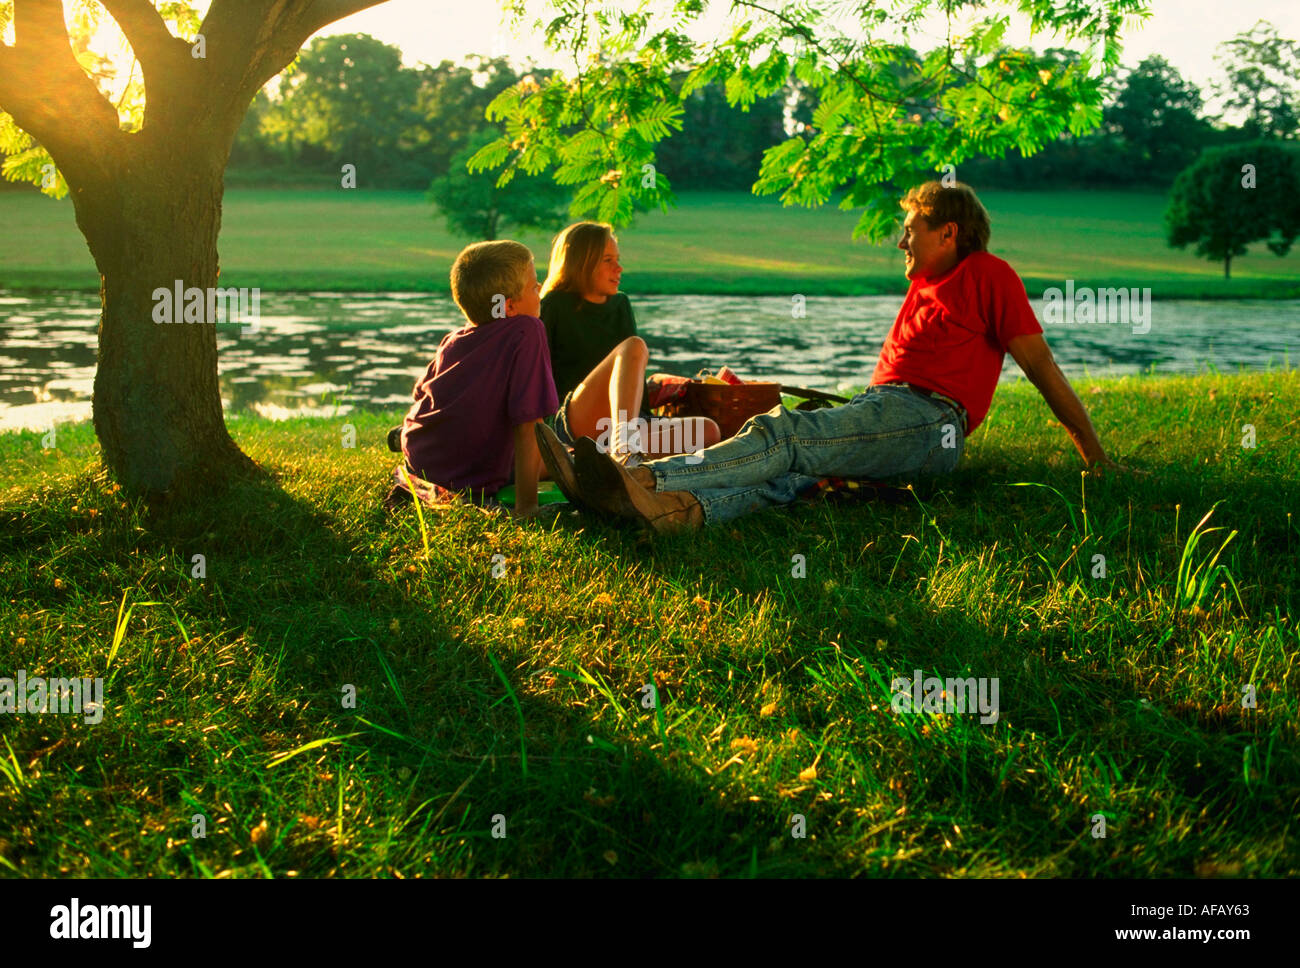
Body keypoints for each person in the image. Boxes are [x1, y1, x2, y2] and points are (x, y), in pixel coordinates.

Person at [537, 180, 1140, 532]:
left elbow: (1041, 368)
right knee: (784, 479)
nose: (901, 240)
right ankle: (666, 513)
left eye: (912, 230)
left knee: (781, 433)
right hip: (889, 413)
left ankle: (641, 477)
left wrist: (1094, 457)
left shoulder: (988, 274)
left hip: (929, 423)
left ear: (949, 232)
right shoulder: (923, 284)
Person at [394, 239, 557, 519]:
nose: (540, 288)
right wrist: (527, 506)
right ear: (509, 306)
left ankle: (400, 438)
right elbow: (528, 422)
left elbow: (420, 394)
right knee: (565, 456)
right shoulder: (527, 330)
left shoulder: (454, 339)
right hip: (472, 473)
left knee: (559, 453)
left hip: (421, 461)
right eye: (533, 285)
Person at [539, 221, 718, 464]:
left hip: (621, 426)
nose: (619, 268)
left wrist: (643, 418)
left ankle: (611, 458)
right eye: (608, 260)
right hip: (574, 421)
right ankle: (624, 450)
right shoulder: (554, 305)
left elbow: (632, 379)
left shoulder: (620, 305)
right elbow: (537, 379)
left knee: (707, 431)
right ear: (581, 262)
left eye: (618, 259)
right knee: (634, 347)